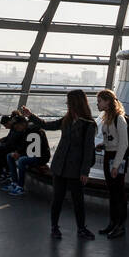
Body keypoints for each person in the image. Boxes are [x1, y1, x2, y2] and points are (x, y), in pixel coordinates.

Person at [20, 91, 97, 240]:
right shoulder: (67, 120)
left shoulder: (88, 125)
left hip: (74, 169)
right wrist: (30, 115)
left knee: (78, 201)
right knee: (57, 199)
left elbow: (88, 151)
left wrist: (84, 172)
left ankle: (81, 228)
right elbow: (46, 125)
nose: (67, 104)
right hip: (59, 166)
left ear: (76, 103)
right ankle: (55, 227)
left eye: (69, 102)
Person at [95, 89, 129, 239]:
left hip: (117, 158)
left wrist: (116, 165)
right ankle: (113, 222)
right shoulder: (107, 118)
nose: (98, 103)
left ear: (108, 102)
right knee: (112, 191)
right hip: (109, 155)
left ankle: (120, 225)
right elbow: (113, 138)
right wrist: (103, 145)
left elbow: (123, 144)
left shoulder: (119, 119)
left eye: (100, 101)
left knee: (119, 192)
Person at [5, 118, 50, 196]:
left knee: (22, 160)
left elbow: (34, 151)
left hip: (41, 157)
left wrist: (20, 154)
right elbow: (25, 146)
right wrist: (17, 152)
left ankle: (20, 187)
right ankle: (15, 182)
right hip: (33, 154)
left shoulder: (34, 132)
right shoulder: (26, 130)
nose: (17, 129)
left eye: (18, 127)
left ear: (23, 124)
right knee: (10, 156)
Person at [0, 112, 27, 185]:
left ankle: (3, 172)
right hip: (14, 147)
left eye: (5, 125)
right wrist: (3, 140)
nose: (5, 127)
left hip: (16, 148)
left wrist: (5, 143)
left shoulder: (16, 128)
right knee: (0, 149)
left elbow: (13, 141)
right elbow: (10, 138)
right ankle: (3, 170)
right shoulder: (14, 128)